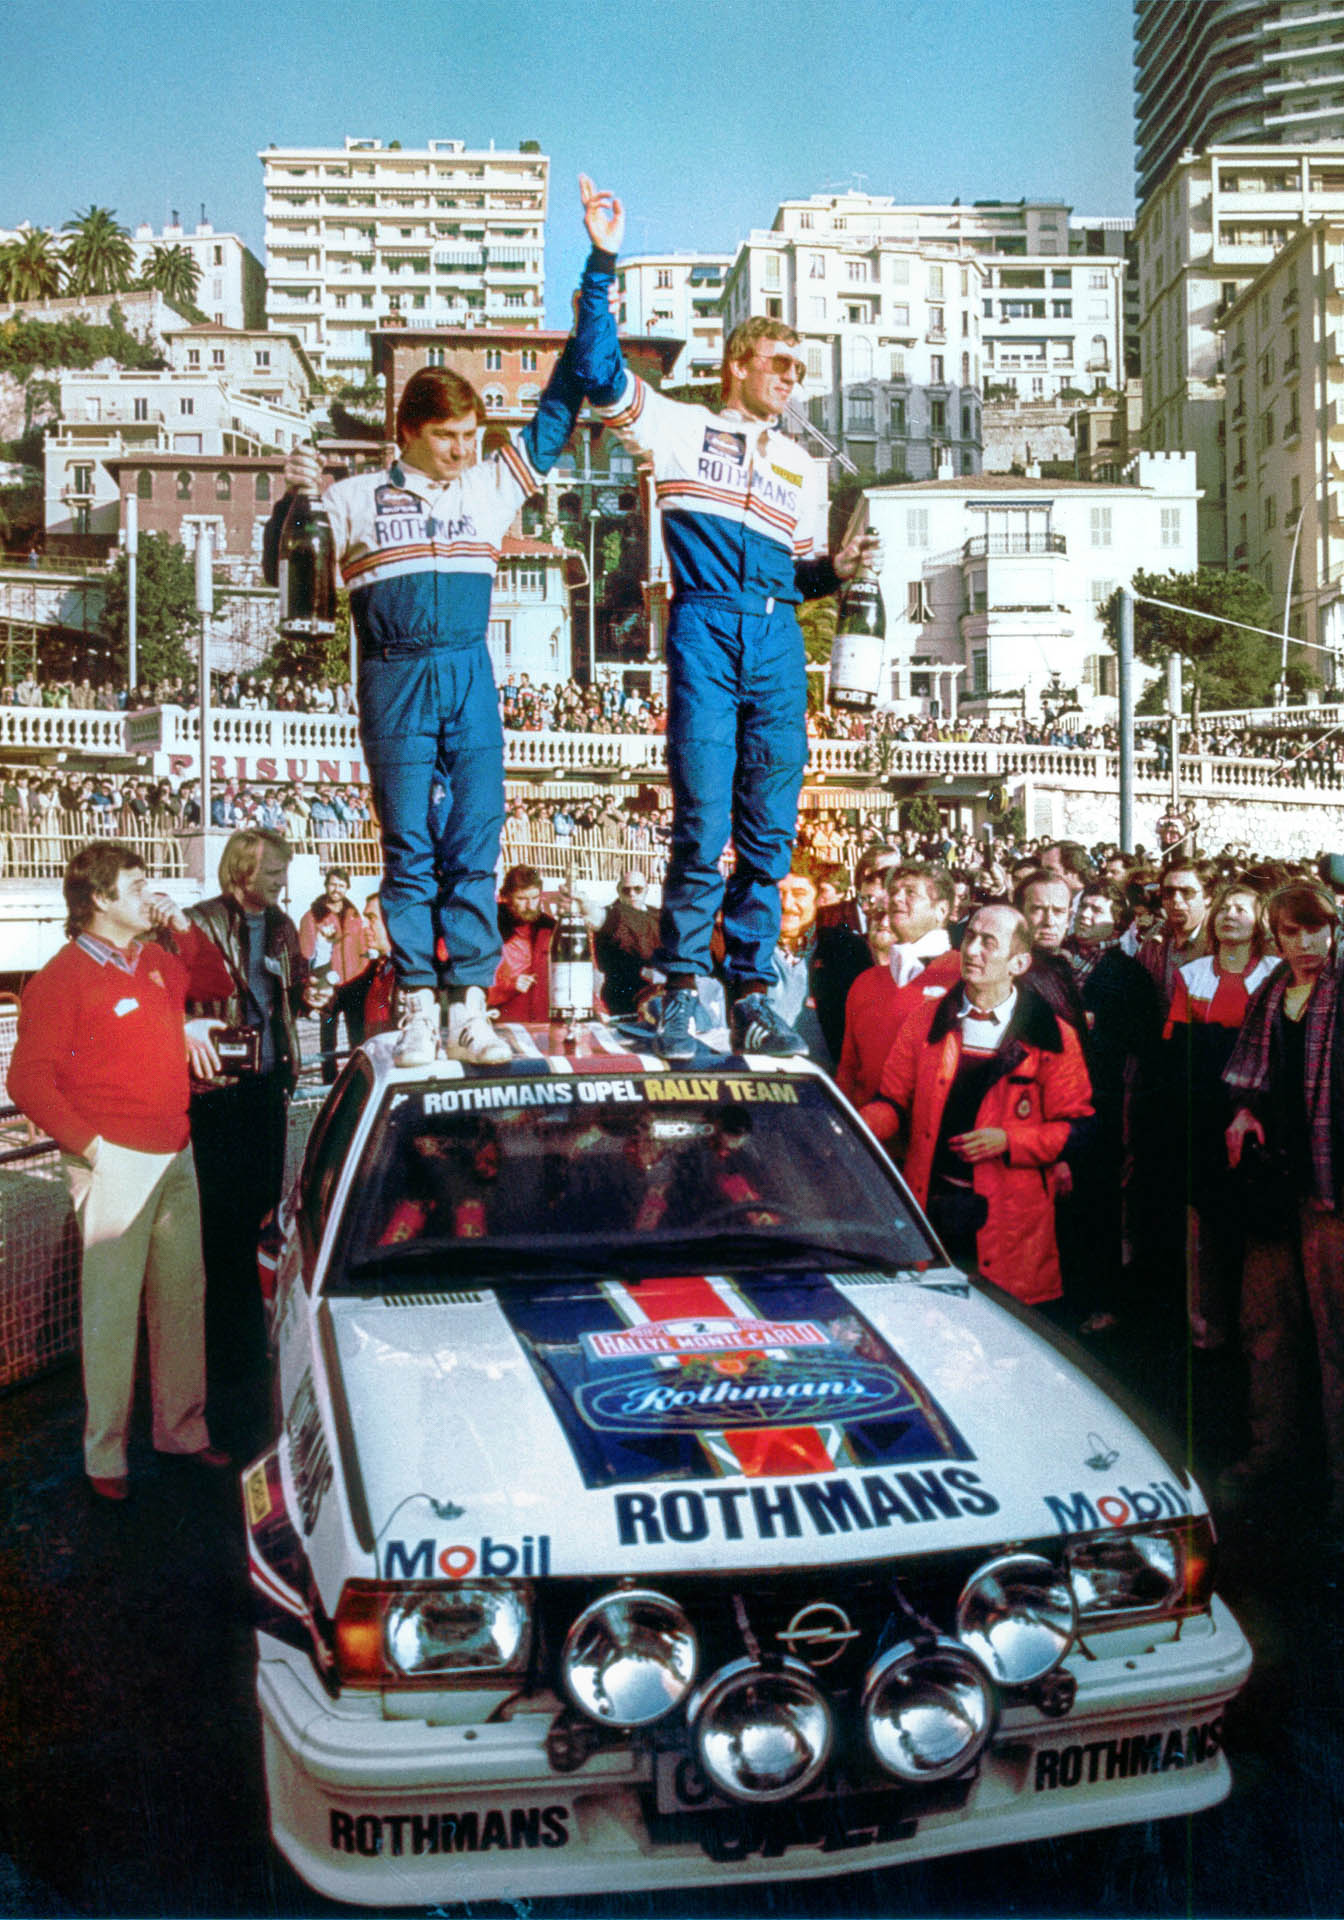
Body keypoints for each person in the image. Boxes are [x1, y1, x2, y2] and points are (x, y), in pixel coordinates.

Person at [264, 180, 608, 1070]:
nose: (464, 450)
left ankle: (468, 1003)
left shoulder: (490, 485)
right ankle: (416, 999)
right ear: (408, 431)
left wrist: (597, 272)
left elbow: (561, 407)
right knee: (410, 839)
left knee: (477, 834)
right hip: (392, 669)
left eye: (471, 435)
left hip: (467, 666)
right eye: (449, 437)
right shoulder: (351, 497)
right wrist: (292, 500)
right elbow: (286, 573)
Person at [575, 177, 881, 1061]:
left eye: (799, 370)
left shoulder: (802, 467)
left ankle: (751, 988)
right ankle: (680, 983)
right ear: (737, 363)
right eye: (779, 365)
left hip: (778, 631)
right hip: (706, 625)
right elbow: (598, 372)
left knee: (770, 829)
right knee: (703, 819)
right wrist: (603, 262)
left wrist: (838, 570)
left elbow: (799, 575)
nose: (791, 382)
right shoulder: (675, 426)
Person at [7, 842, 235, 1499]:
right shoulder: (61, 978)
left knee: (181, 1299)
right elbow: (28, 1080)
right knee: (110, 1312)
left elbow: (217, 983)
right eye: (138, 886)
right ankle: (104, 1457)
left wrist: (184, 928)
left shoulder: (157, 959)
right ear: (100, 899)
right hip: (117, 1159)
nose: (151, 894)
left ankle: (182, 1430)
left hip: (175, 1150)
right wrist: (93, 1147)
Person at [860, 904, 1092, 1310]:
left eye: (990, 942)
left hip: (1012, 1225)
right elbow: (892, 1101)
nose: (973, 950)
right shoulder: (926, 1020)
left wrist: (1010, 1140)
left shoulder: (1053, 1034)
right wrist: (857, 1129)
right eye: (970, 937)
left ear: (1018, 962)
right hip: (933, 1211)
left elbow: (1078, 1128)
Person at [178, 828, 326, 1457]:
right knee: (221, 1225)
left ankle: (253, 1346)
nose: (279, 884)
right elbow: (177, 995)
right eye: (271, 874)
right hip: (219, 1092)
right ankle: (225, 1356)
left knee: (262, 1217)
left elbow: (287, 1000)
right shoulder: (200, 923)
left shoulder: (287, 924)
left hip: (270, 1085)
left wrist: (309, 998)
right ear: (242, 870)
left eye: (282, 874)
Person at [1222, 881, 1344, 1532]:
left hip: (1333, 1190)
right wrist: (1244, 1111)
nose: (1305, 944)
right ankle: (1273, 1453)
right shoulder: (1272, 994)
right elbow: (1252, 1077)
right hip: (1277, 1185)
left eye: (1315, 929)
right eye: (1291, 933)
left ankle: (1337, 1481)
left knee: (1336, 1340)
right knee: (1266, 1327)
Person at [1165, 878, 1278, 1351]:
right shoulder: (1192, 975)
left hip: (1258, 1112)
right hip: (1204, 1111)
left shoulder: (1275, 972)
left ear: (1260, 923)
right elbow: (1178, 1049)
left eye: (1242, 908)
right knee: (1202, 1226)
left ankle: (1255, 1329)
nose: (1230, 914)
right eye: (1225, 907)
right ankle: (1205, 1328)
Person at [835, 861, 961, 1109]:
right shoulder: (865, 982)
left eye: (911, 892)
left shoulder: (962, 974)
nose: (896, 899)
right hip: (872, 1134)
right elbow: (848, 1071)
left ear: (942, 910)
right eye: (893, 892)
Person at [298, 865, 368, 1084]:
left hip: (354, 983)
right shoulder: (313, 916)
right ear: (326, 886)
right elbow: (305, 953)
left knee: (357, 1034)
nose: (336, 889)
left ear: (347, 888)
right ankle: (329, 1079)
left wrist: (363, 972)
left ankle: (358, 1076)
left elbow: (363, 947)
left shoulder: (355, 914)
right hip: (328, 985)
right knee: (328, 1032)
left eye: (341, 885)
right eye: (332, 884)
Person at [488, 865, 556, 1024]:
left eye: (534, 898)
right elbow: (470, 979)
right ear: (506, 897)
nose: (530, 906)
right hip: (502, 1022)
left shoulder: (550, 928)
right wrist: (509, 985)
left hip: (544, 1024)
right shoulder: (491, 928)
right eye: (522, 899)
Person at [594, 869, 659, 1015]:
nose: (632, 894)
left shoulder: (656, 914)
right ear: (619, 891)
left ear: (646, 889)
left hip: (652, 986)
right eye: (626, 890)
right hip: (621, 989)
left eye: (638, 889)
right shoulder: (611, 918)